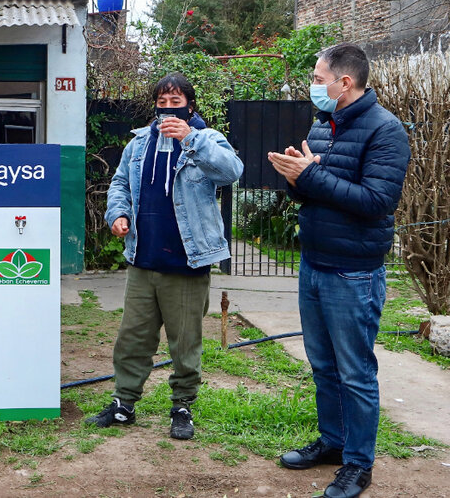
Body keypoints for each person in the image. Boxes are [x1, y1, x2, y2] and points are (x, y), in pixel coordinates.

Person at [268, 43, 409, 498]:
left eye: (317, 77)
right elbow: (316, 194)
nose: (314, 85)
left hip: (354, 273)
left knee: (355, 373)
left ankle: (357, 464)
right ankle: (333, 442)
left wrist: (309, 176)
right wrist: (296, 178)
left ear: (344, 82)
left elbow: (376, 202)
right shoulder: (322, 126)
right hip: (314, 263)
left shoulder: (386, 130)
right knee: (324, 367)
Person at [88, 73, 243, 440]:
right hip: (143, 259)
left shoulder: (207, 139)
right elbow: (121, 183)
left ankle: (182, 407)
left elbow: (232, 172)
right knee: (133, 338)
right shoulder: (139, 143)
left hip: (187, 263)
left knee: (185, 342)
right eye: (162, 102)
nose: (168, 109)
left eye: (176, 102)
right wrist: (118, 214)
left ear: (190, 106)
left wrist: (189, 139)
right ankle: (124, 404)